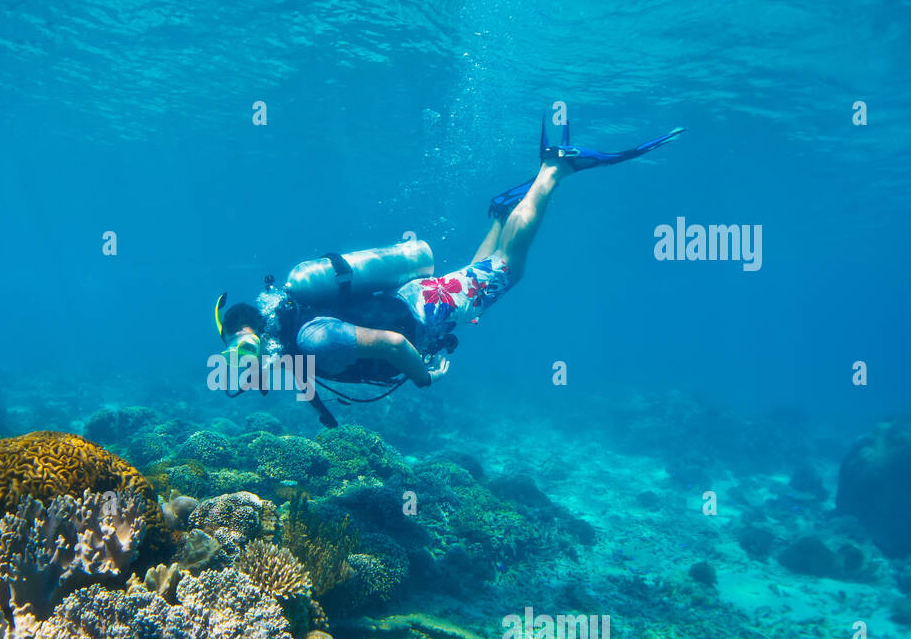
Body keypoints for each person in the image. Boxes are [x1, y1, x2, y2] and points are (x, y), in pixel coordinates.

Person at [216, 113, 683, 426]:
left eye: (242, 355)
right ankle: (501, 213)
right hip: (418, 302)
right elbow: (301, 375)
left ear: (258, 333)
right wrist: (324, 416)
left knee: (505, 269)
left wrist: (424, 379)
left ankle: (553, 170)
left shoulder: (312, 338)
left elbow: (393, 344)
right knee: (478, 273)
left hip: (422, 314)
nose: (248, 367)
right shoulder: (292, 340)